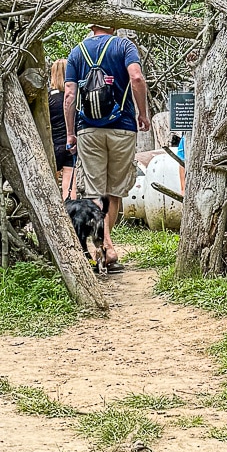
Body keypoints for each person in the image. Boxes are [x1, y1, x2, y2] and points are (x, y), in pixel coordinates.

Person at [64, 23, 149, 269]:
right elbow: (136, 78)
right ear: (113, 24)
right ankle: (108, 249)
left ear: (91, 26)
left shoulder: (77, 52)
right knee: (114, 191)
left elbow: (69, 95)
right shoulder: (124, 46)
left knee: (94, 191)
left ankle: (105, 248)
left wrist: (70, 133)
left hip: (88, 129)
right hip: (123, 126)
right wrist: (143, 113)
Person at [48, 58, 77, 200]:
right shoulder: (74, 97)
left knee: (50, 185)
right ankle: (70, 210)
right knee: (70, 185)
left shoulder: (47, 97)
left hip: (53, 145)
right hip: (71, 143)